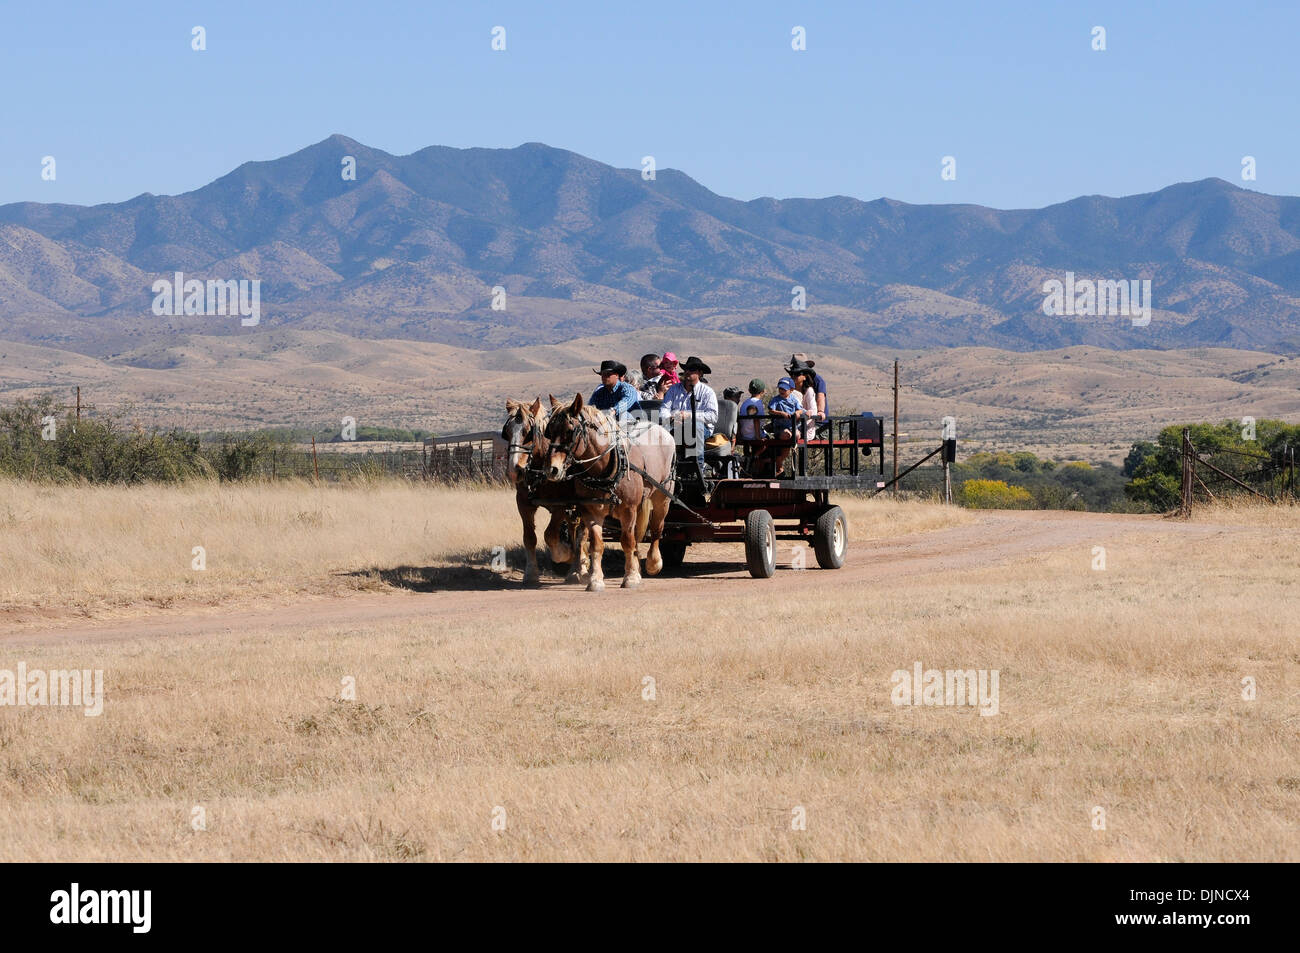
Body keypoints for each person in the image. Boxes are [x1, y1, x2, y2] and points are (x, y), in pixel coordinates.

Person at [659, 356, 718, 452]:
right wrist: (670, 418)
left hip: (700, 428)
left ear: (700, 373)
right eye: (686, 369)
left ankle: (697, 465)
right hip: (675, 426)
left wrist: (688, 416)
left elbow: (713, 416)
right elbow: (664, 409)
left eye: (692, 369)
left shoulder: (707, 392)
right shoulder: (673, 390)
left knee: (691, 429)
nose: (688, 371)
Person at [786, 353, 828, 422]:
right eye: (792, 373)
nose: (793, 375)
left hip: (816, 420)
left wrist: (820, 411)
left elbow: (821, 396)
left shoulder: (817, 380)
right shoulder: (793, 381)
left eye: (797, 373)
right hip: (800, 420)